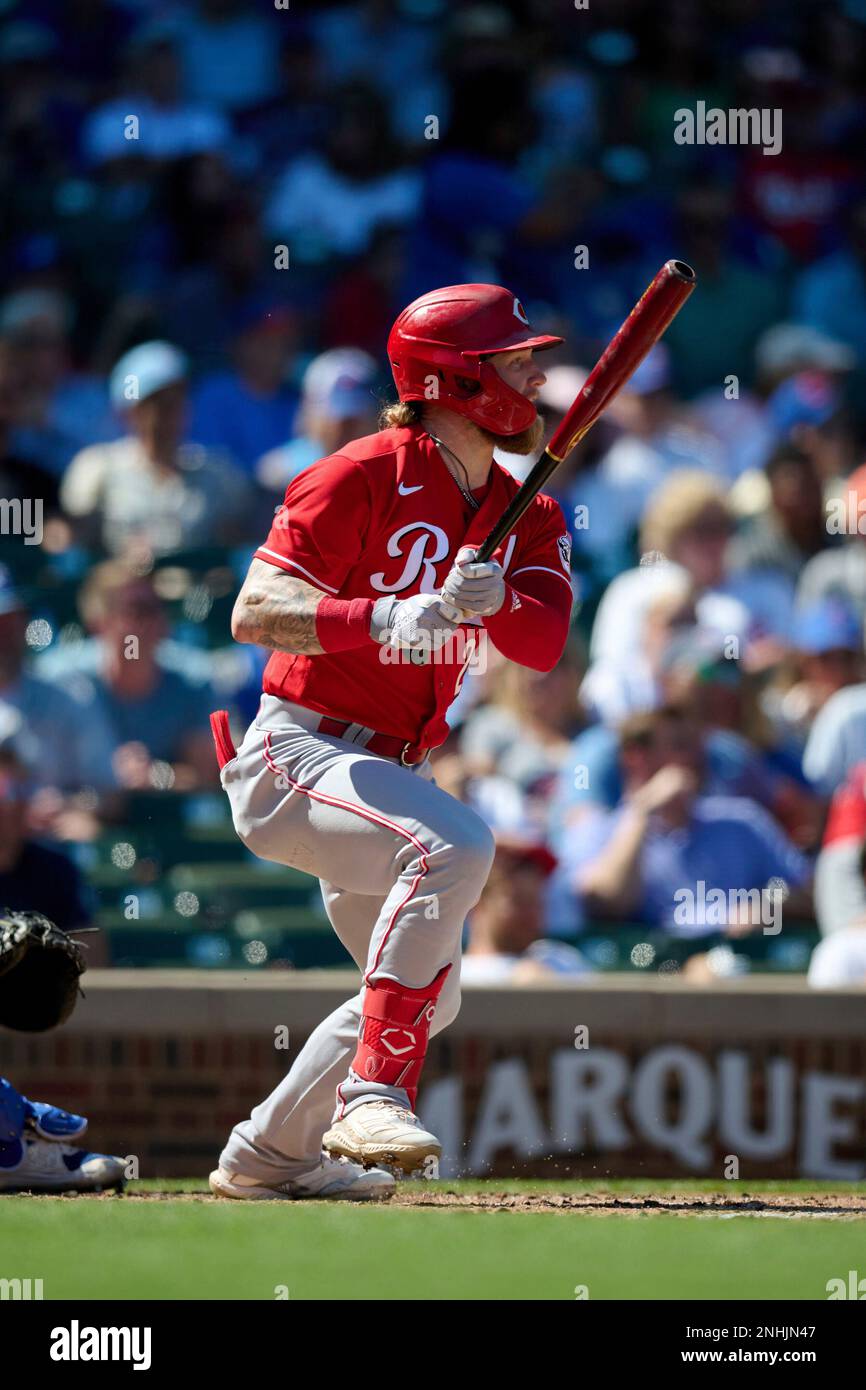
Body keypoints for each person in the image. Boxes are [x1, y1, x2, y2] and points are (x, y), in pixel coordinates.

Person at [208, 282, 572, 1200]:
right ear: (456, 380)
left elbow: (545, 642)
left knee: (429, 995)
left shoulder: (524, 508)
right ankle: (373, 1092)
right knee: (457, 844)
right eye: (514, 359)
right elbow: (257, 613)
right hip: (296, 753)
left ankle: (268, 1157)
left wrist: (501, 600)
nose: (534, 374)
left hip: (380, 774)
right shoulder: (358, 472)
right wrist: (385, 618)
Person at [555, 707, 811, 934]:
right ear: (636, 758)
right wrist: (641, 813)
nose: (698, 757)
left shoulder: (741, 819)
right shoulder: (598, 829)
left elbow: (806, 892)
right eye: (680, 745)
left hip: (736, 967)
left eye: (697, 745)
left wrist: (765, 907)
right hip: (646, 973)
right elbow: (608, 901)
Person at [60, 340, 255, 557]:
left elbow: (236, 542)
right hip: (122, 587)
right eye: (157, 401)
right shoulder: (97, 467)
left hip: (199, 589)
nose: (170, 410)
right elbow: (75, 542)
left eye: (178, 397)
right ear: (129, 410)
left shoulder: (218, 471)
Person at [461, 833, 589, 984]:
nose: (532, 914)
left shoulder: (562, 959)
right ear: (477, 903)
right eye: (519, 901)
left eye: (537, 902)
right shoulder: (452, 976)